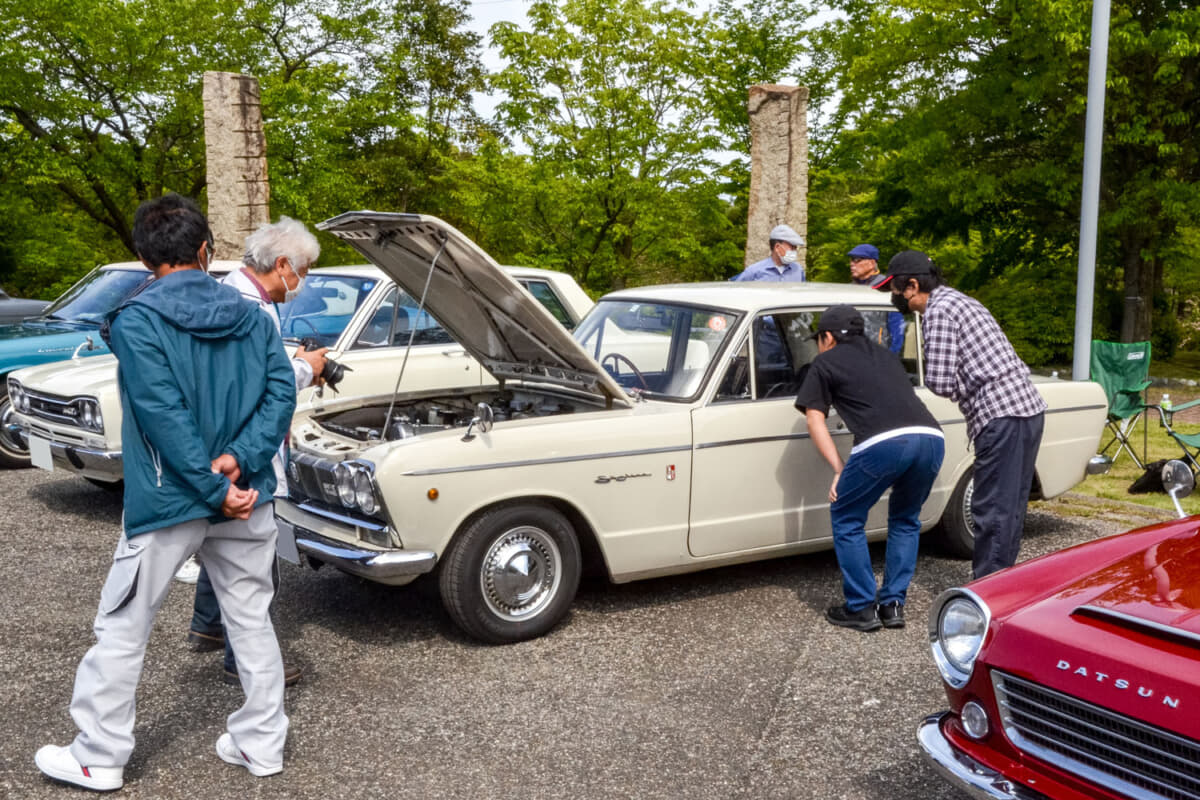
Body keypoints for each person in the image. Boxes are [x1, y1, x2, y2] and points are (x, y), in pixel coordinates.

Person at [35, 194, 296, 790]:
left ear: (142, 256)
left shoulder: (136, 319)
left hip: (168, 498)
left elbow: (160, 412)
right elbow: (280, 395)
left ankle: (99, 753)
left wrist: (209, 480)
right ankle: (262, 743)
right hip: (247, 493)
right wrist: (238, 463)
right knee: (251, 619)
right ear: (206, 251)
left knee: (124, 625)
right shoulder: (254, 316)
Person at [189, 216, 325, 688]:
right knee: (254, 559)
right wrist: (307, 368)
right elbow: (264, 386)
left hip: (223, 443)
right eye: (303, 271)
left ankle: (207, 625)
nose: (301, 282)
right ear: (283, 264)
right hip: (247, 448)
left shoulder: (230, 291)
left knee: (219, 540)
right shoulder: (252, 307)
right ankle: (243, 659)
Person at [876, 250, 1046, 579]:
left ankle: (987, 591)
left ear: (912, 285)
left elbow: (939, 380)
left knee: (991, 508)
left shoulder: (937, 312)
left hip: (999, 414)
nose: (894, 298)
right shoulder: (960, 301)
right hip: (1027, 407)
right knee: (1009, 507)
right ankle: (1003, 582)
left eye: (895, 290)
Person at [795, 305, 945, 631]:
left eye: (818, 339)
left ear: (828, 337)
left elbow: (814, 418)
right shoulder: (885, 356)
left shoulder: (825, 362)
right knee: (905, 519)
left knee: (847, 516)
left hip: (885, 443)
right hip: (931, 437)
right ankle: (892, 605)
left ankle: (861, 607)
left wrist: (838, 466)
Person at [848, 243, 905, 353]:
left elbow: (898, 328)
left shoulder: (887, 286)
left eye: (857, 260)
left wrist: (891, 357)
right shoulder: (850, 288)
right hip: (853, 354)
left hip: (880, 354)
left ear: (872, 263)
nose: (852, 264)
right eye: (851, 260)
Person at [731, 224, 806, 282]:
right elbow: (735, 293)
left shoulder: (798, 270)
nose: (794, 251)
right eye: (792, 247)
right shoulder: (754, 272)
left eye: (795, 248)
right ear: (777, 247)